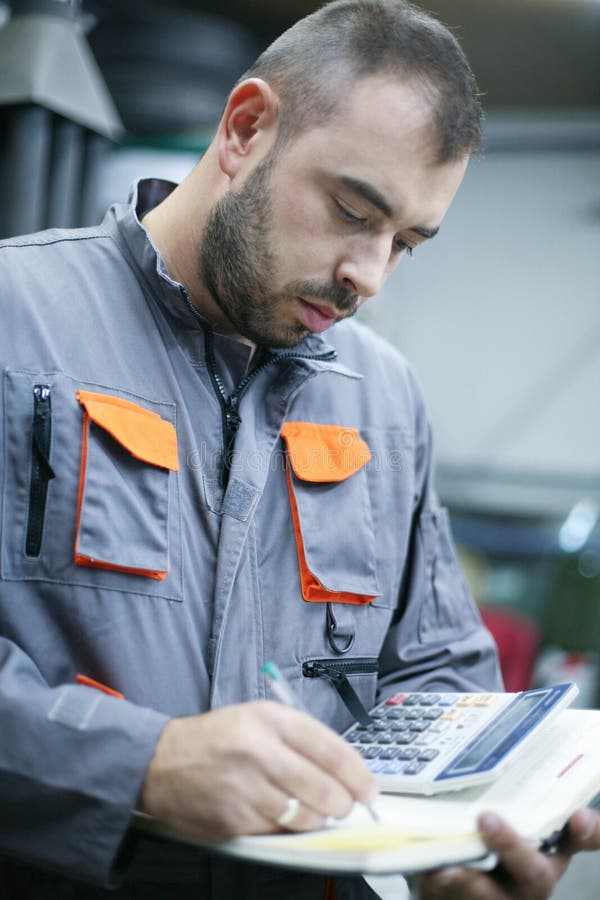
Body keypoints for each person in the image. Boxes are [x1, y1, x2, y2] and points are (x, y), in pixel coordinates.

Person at [0, 1, 598, 897]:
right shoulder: (19, 320)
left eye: (408, 243)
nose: (370, 274)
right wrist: (142, 766)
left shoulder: (383, 397)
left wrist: (473, 835)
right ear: (246, 128)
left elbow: (438, 671)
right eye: (355, 210)